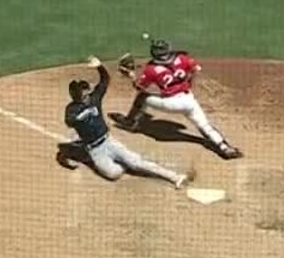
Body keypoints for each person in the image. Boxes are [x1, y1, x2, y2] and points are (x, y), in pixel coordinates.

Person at [66, 57, 194, 188]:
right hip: (94, 150)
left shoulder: (94, 98)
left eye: (86, 92)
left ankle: (175, 177)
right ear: (76, 95)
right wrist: (83, 115)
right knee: (114, 174)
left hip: (108, 141)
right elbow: (69, 122)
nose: (86, 95)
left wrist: (100, 66)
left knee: (136, 163)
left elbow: (105, 80)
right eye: (83, 94)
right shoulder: (72, 109)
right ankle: (98, 156)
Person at [116, 39, 243, 160]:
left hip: (169, 103)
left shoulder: (151, 69)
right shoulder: (182, 58)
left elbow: (140, 87)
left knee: (143, 97)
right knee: (205, 126)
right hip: (189, 101)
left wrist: (132, 76)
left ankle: (130, 122)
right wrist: (189, 81)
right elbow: (196, 69)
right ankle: (225, 148)